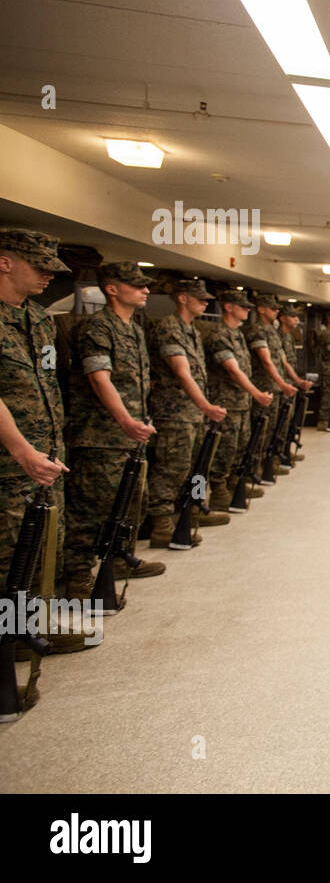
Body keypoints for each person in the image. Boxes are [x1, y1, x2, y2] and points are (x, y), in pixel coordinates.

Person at [0, 229, 87, 653]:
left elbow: (47, 383)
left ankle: (26, 627)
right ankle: (8, 637)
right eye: (40, 266)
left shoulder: (36, 318)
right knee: (7, 549)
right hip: (10, 459)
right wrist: (21, 450)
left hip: (45, 452)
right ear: (5, 261)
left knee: (40, 541)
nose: (50, 276)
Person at [64, 261, 164, 593]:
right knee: (91, 507)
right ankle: (77, 576)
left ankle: (119, 558)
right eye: (137, 285)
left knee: (132, 501)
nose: (145, 290)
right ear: (112, 288)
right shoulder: (97, 327)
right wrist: (125, 421)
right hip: (100, 435)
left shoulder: (134, 328)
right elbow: (98, 377)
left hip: (131, 433)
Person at [145, 278, 228, 549]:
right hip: (174, 412)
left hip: (193, 413)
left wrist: (202, 408)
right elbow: (181, 372)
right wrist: (205, 405)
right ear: (183, 298)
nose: (205, 303)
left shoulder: (191, 330)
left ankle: (192, 509)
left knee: (196, 467)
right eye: (200, 298)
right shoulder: (169, 327)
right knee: (172, 469)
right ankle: (162, 525)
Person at [203, 290, 272, 512]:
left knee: (239, 447)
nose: (247, 310)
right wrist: (257, 394)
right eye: (242, 306)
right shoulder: (219, 335)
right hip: (225, 403)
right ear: (228, 307)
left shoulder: (237, 334)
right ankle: (218, 491)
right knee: (223, 449)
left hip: (240, 403)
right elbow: (233, 371)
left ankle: (234, 483)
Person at [243, 293, 297, 481]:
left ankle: (266, 464)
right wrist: (283, 384)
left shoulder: (272, 331)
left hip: (274, 388)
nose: (276, 311)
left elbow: (281, 360)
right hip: (263, 388)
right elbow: (266, 361)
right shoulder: (256, 330)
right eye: (272, 308)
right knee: (259, 433)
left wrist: (293, 381)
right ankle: (250, 471)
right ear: (261, 309)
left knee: (272, 430)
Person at [276, 303, 312, 463]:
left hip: (289, 383)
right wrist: (297, 381)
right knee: (279, 423)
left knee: (289, 421)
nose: (296, 320)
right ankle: (276, 457)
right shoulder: (276, 336)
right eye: (292, 316)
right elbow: (283, 363)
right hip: (281, 384)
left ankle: (285, 451)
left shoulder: (289, 336)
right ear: (283, 318)